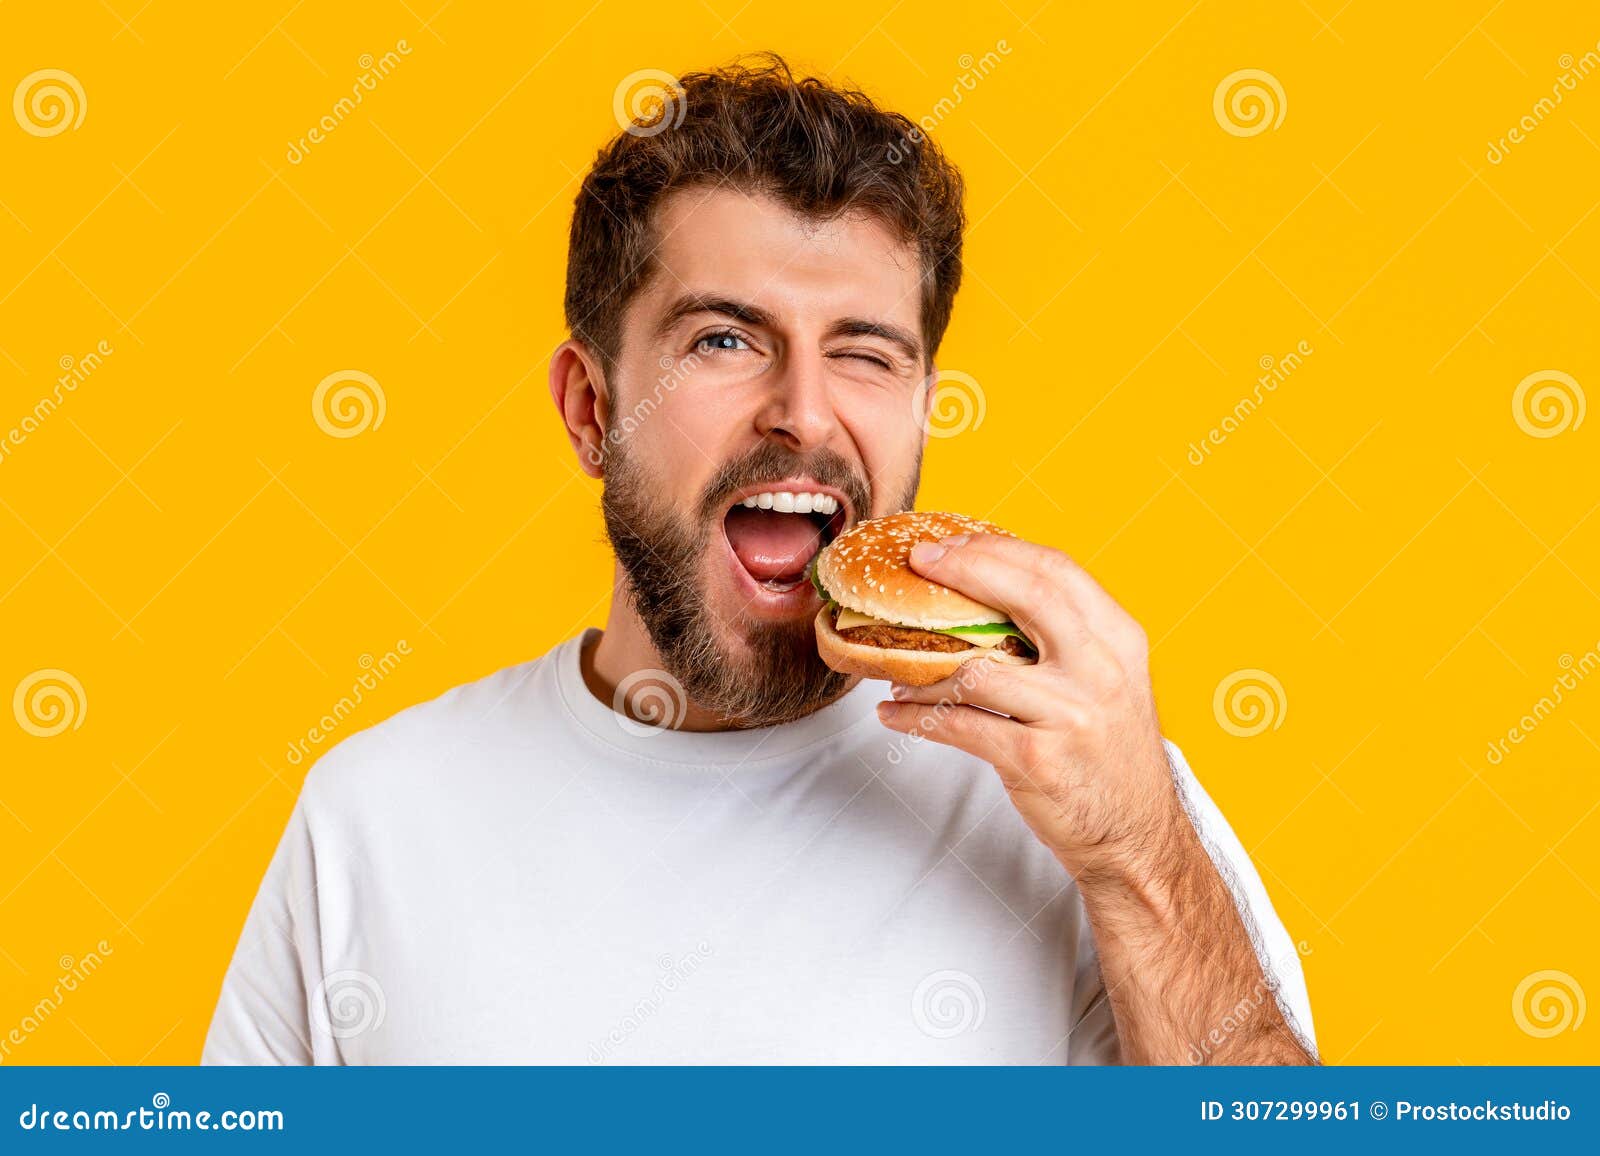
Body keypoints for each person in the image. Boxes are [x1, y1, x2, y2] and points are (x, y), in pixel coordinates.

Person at [204, 53, 1315, 1065]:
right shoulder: (375, 816)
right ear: (592, 408)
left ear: (924, 408)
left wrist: (1138, 862)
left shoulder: (1086, 792)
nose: (803, 413)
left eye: (865, 353)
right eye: (724, 340)